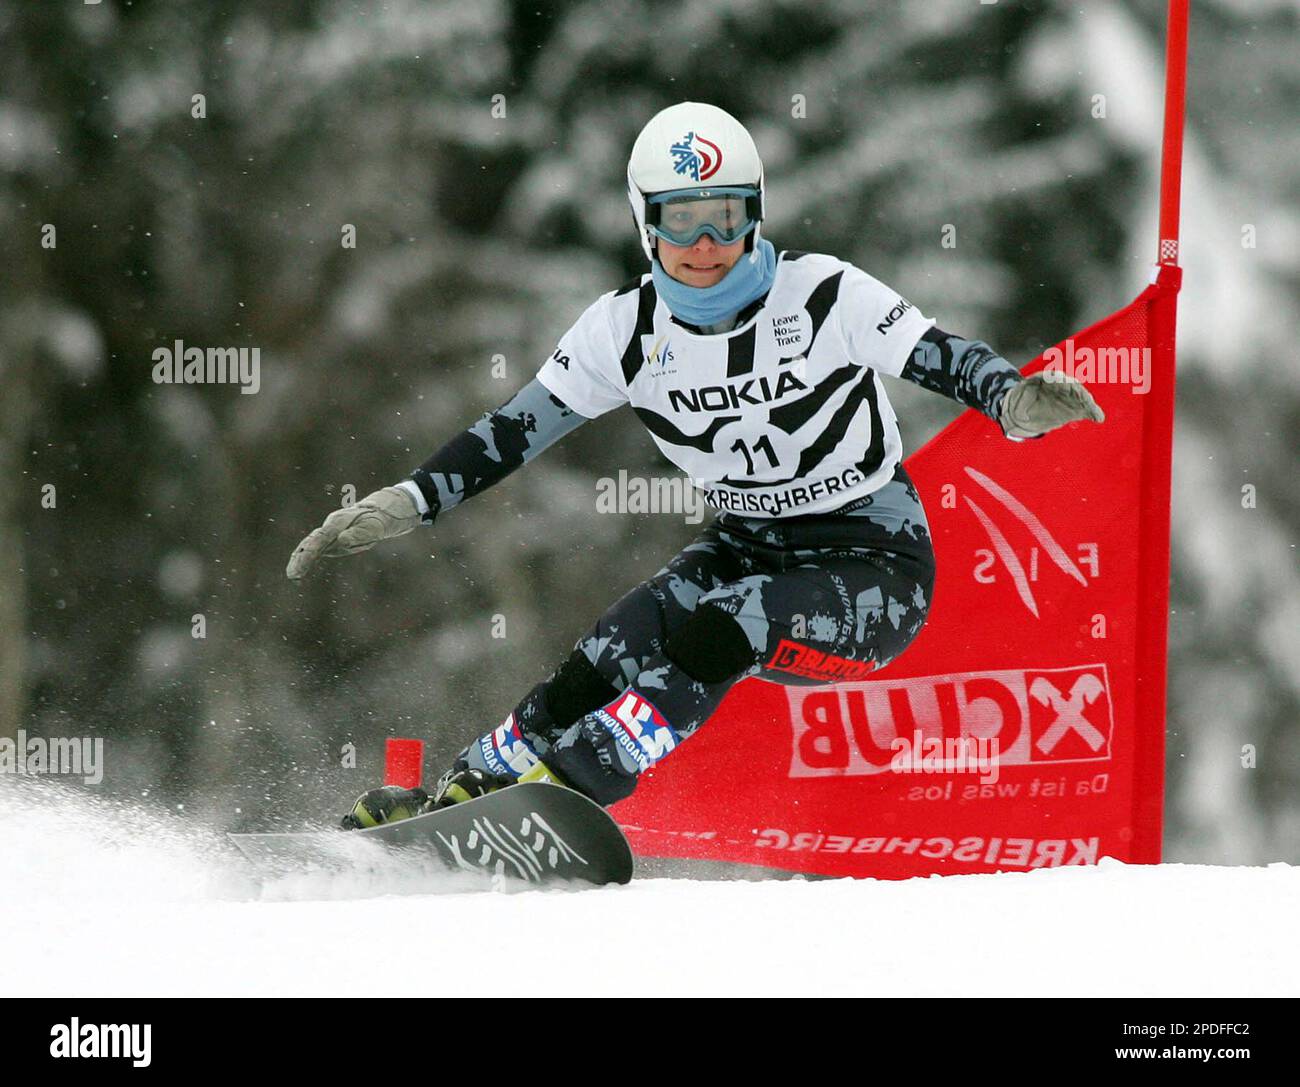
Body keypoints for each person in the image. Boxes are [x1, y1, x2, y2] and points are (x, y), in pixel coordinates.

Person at [285, 102, 1104, 829]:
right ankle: (473, 788)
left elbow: (937, 354)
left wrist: (1007, 399)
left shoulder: (821, 295)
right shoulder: (624, 333)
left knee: (735, 619)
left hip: (876, 570)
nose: (706, 246)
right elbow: (510, 433)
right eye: (682, 223)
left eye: (726, 218)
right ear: (647, 226)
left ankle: (580, 780)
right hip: (748, 546)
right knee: (620, 637)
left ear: (756, 215)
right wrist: (408, 501)